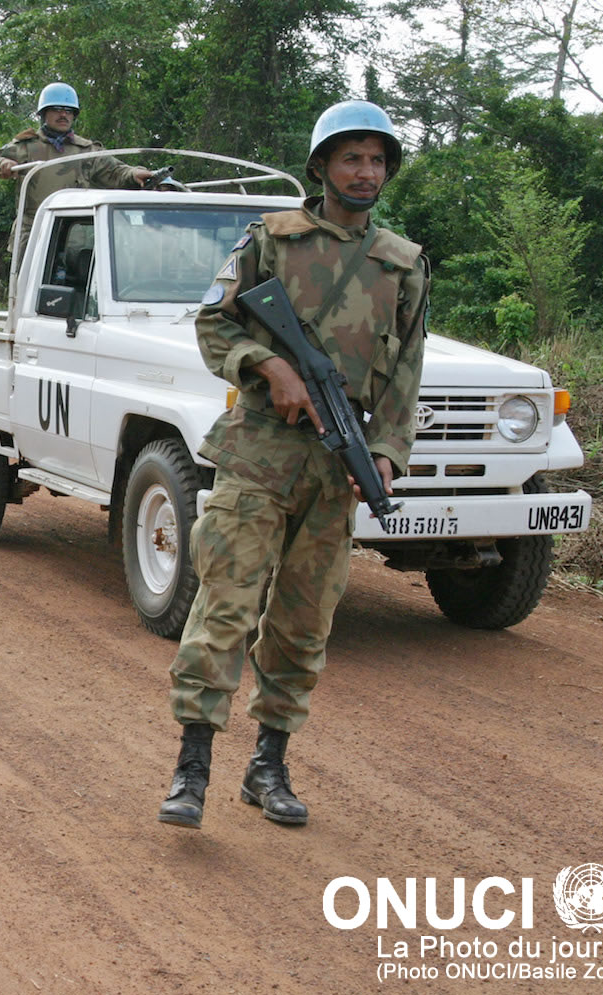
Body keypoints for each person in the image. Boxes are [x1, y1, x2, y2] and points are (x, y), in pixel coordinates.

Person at [156, 100, 430, 830]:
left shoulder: (401, 263)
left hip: (335, 467)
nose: (365, 173)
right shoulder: (271, 240)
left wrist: (384, 453)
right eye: (352, 159)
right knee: (225, 608)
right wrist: (268, 366)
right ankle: (192, 770)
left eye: (376, 160)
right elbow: (215, 321)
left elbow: (406, 379)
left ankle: (268, 766)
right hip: (259, 456)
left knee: (304, 623)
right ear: (322, 166)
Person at [0, 82, 152, 263]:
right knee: (27, 288)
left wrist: (136, 173)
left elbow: (117, 172)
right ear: (44, 113)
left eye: (69, 110)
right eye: (57, 109)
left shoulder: (86, 150)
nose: (63, 115)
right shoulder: (26, 147)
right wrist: (0, 163)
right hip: (34, 232)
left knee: (77, 284)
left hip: (76, 235)